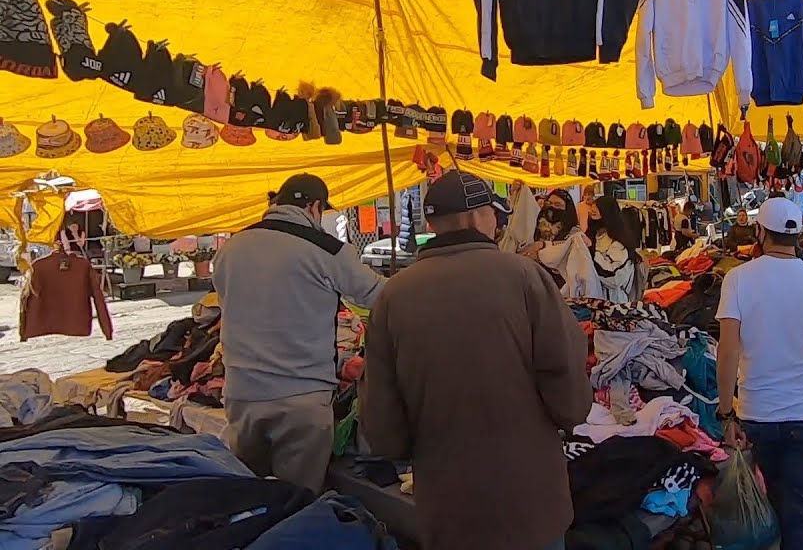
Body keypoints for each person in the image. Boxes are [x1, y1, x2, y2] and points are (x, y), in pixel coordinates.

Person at [362, 170, 590, 550]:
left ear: (433, 223)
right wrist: (571, 415)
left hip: (447, 499)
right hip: (528, 495)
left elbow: (381, 409)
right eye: (493, 213)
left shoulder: (393, 295)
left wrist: (403, 450)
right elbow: (564, 370)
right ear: (477, 217)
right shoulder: (524, 276)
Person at [214, 173, 385, 493]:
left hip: (241, 394)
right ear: (314, 206)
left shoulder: (233, 246)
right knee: (296, 502)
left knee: (247, 499)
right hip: (299, 398)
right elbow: (377, 296)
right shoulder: (326, 249)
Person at [716, 198, 803, 550]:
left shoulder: (738, 279)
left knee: (768, 510)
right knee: (800, 516)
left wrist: (726, 413)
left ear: (759, 233)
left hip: (758, 415)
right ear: (799, 237)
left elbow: (727, 351)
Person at [589, 196, 640, 302]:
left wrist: (592, 252)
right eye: (592, 211)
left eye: (597, 210)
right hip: (591, 300)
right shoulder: (592, 236)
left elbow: (615, 278)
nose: (592, 211)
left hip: (613, 303)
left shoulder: (619, 243)